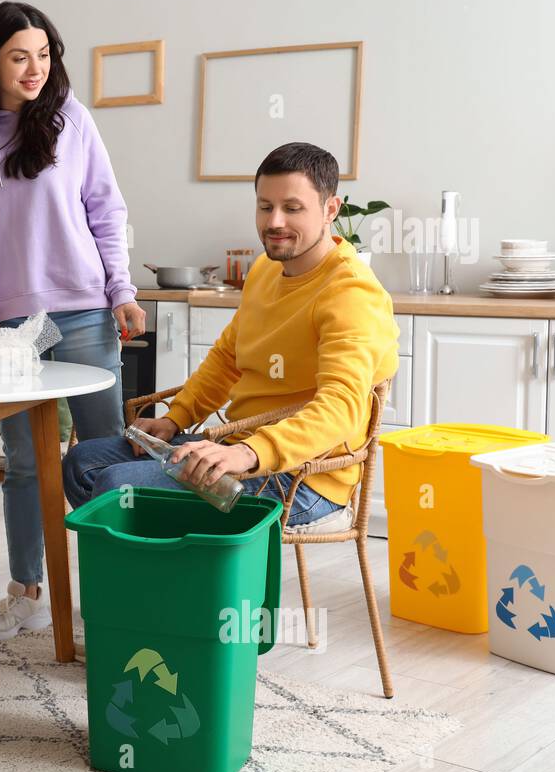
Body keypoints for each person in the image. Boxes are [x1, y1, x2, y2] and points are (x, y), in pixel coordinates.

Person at [0, 0, 146, 641]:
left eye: (44, 54)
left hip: (84, 312)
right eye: (18, 56)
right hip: (8, 330)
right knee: (27, 463)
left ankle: (115, 594)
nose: (35, 68)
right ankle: (26, 591)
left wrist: (123, 292)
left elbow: (106, 211)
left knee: (104, 459)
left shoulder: (70, 122)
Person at [63, 142, 400, 526]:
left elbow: (341, 407)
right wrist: (176, 419)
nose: (274, 222)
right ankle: (176, 571)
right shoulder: (265, 270)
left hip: (303, 476)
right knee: (82, 461)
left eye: (292, 208)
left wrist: (249, 453)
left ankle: (167, 577)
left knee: (115, 485)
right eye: (264, 206)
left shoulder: (352, 293)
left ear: (330, 210)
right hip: (237, 447)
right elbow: (227, 359)